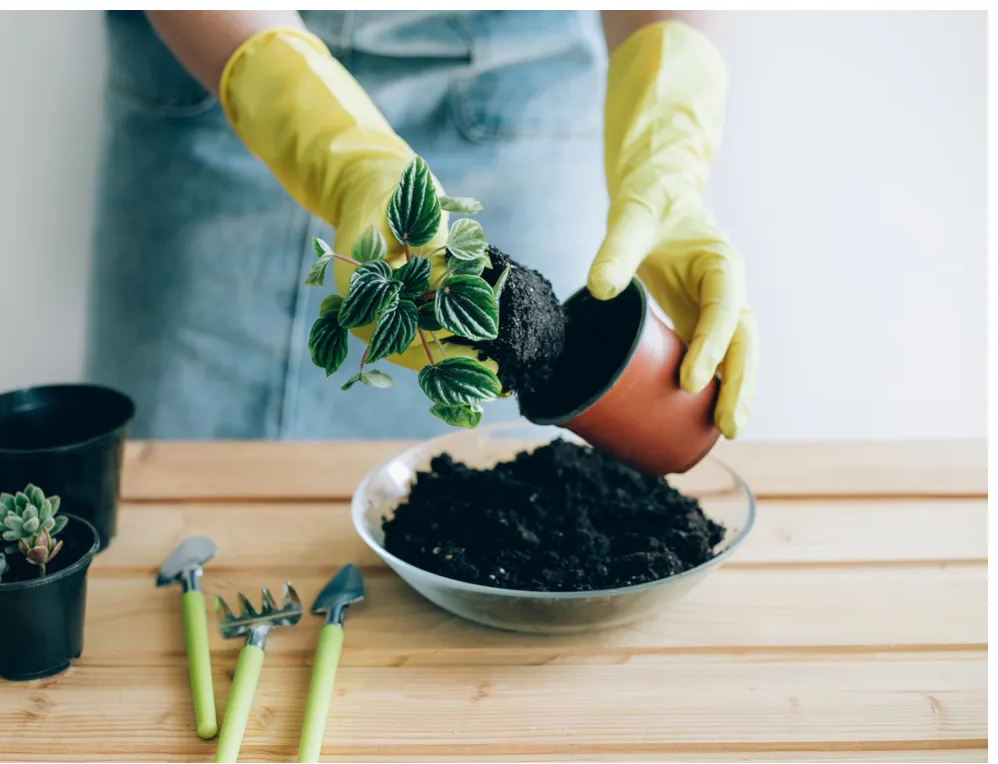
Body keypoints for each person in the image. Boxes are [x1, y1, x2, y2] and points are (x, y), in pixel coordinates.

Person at [86, 10, 758, 442]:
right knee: (167, 477)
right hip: (214, 75)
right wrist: (340, 152)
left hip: (510, 100)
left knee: (480, 466)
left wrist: (667, 141)